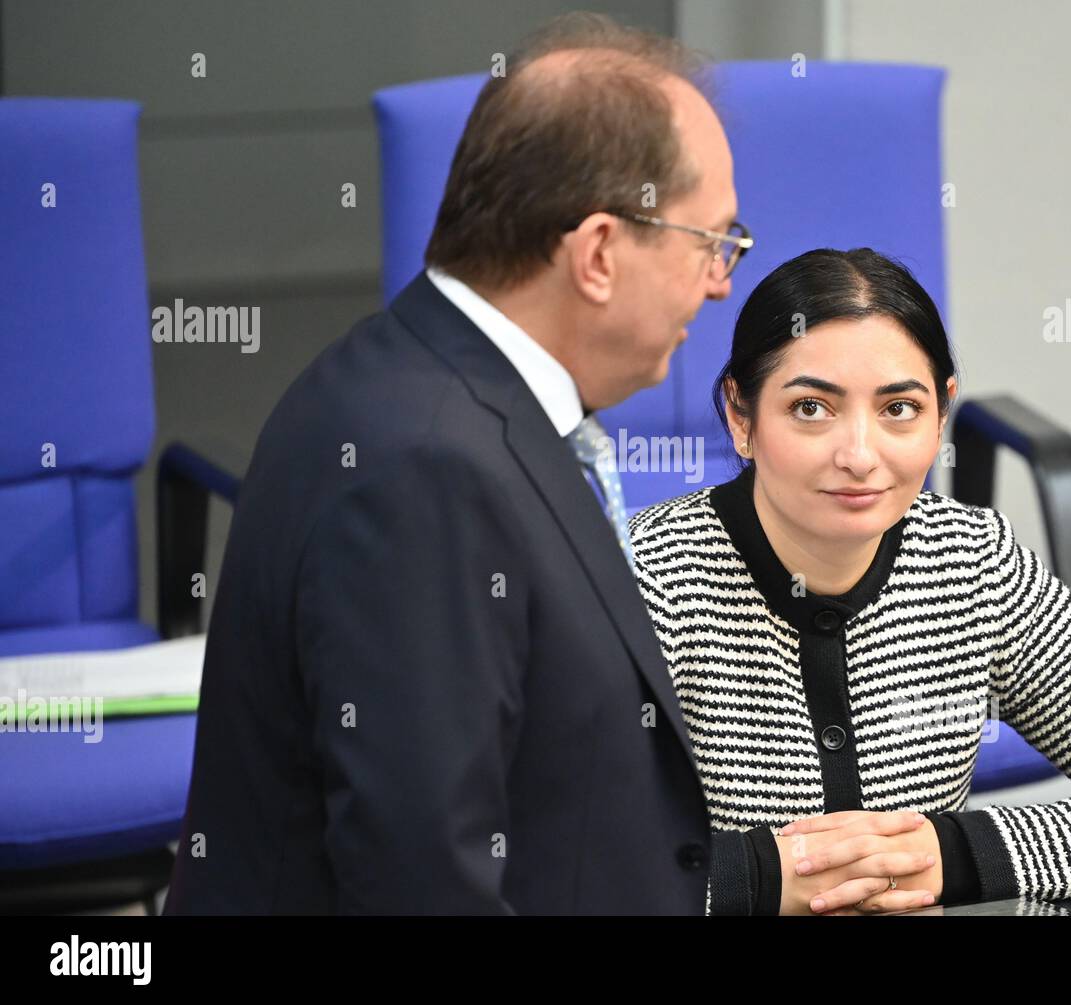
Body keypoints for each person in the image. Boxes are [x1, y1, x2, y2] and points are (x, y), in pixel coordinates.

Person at [165, 12, 746, 914]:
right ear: (598, 252)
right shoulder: (423, 469)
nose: (720, 282)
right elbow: (424, 880)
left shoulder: (429, 386)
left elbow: (554, 785)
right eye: (710, 242)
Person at [628, 247, 1071, 916]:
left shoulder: (974, 562)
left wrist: (949, 855)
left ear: (942, 413)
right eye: (812, 408)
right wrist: (755, 877)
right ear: (741, 415)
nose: (860, 455)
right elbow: (549, 858)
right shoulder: (649, 576)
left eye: (899, 407)